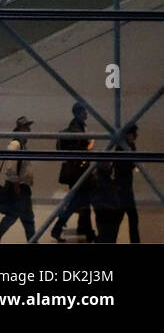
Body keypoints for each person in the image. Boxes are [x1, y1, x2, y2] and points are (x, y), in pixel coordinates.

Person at [51, 102, 96, 243]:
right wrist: (89, 147)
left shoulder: (76, 128)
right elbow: (78, 152)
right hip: (79, 174)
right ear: (79, 113)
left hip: (76, 174)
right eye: (84, 112)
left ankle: (84, 231)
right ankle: (59, 229)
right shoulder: (77, 130)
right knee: (78, 205)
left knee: (80, 204)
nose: (86, 114)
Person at [0, 115, 36, 242]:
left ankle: (32, 240)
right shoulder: (15, 144)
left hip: (22, 187)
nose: (29, 130)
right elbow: (10, 167)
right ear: (20, 128)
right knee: (16, 216)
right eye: (27, 127)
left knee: (25, 217)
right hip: (18, 188)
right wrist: (16, 185)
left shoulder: (21, 144)